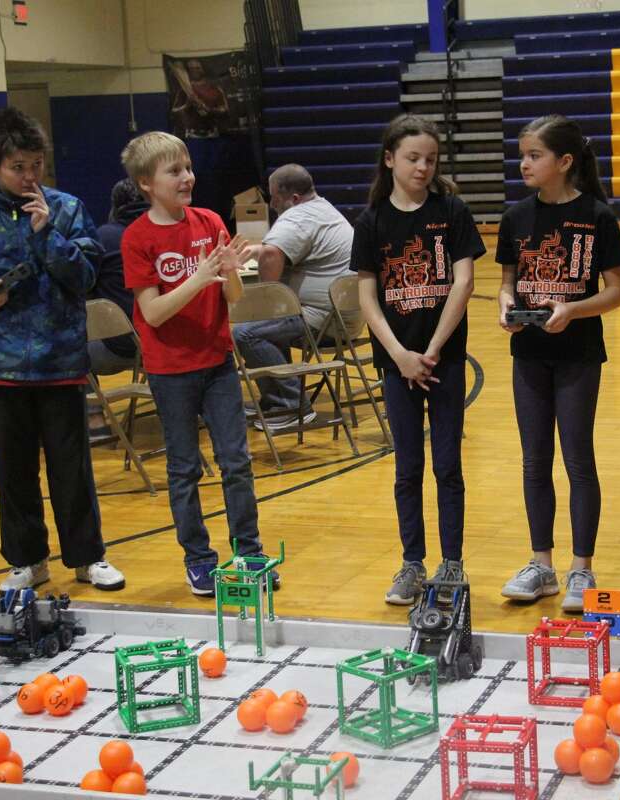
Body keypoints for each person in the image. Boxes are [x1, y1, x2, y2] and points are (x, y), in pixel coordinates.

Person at [0, 106, 125, 592]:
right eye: (18, 167)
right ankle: (27, 560)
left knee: (72, 469)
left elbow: (85, 276)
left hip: (61, 362)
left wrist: (48, 237)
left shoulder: (66, 209)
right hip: (0, 366)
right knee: (13, 472)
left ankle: (87, 557)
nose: (29, 176)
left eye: (36, 165)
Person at [119, 131, 277, 597]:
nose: (187, 177)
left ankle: (249, 552)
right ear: (147, 183)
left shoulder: (209, 221)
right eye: (174, 171)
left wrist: (227, 271)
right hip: (170, 370)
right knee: (185, 468)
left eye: (187, 168)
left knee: (237, 461)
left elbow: (233, 297)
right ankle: (198, 559)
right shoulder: (138, 237)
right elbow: (153, 313)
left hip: (217, 361)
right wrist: (200, 275)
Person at [495, 115, 620, 613]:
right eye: (523, 154)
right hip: (528, 353)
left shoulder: (598, 217)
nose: (524, 163)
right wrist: (505, 305)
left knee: (577, 459)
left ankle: (581, 568)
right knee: (534, 461)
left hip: (577, 355)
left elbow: (616, 291)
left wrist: (572, 309)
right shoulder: (515, 218)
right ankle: (541, 565)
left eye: (534, 155)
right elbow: (509, 281)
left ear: (564, 162)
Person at [351, 114, 485, 605]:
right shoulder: (370, 222)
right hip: (397, 364)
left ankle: (452, 565)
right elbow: (367, 298)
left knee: (447, 466)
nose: (423, 167)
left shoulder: (451, 210)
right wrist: (401, 355)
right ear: (390, 159)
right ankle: (412, 563)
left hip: (442, 362)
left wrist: (429, 351)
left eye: (430, 159)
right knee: (407, 468)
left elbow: (464, 282)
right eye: (413, 158)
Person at [237, 163, 360, 430]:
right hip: (345, 317)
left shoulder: (297, 216)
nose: (271, 204)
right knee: (269, 324)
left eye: (274, 197)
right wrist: (257, 249)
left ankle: (292, 406)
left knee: (246, 331)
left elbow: (273, 254)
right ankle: (274, 399)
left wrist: (265, 300)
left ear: (292, 198)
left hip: (324, 322)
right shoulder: (322, 208)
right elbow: (276, 248)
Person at [89, 177, 148, 377]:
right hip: (168, 343)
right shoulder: (166, 231)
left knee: (65, 349)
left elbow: (82, 285)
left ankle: (94, 406)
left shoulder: (104, 237)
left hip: (118, 347)